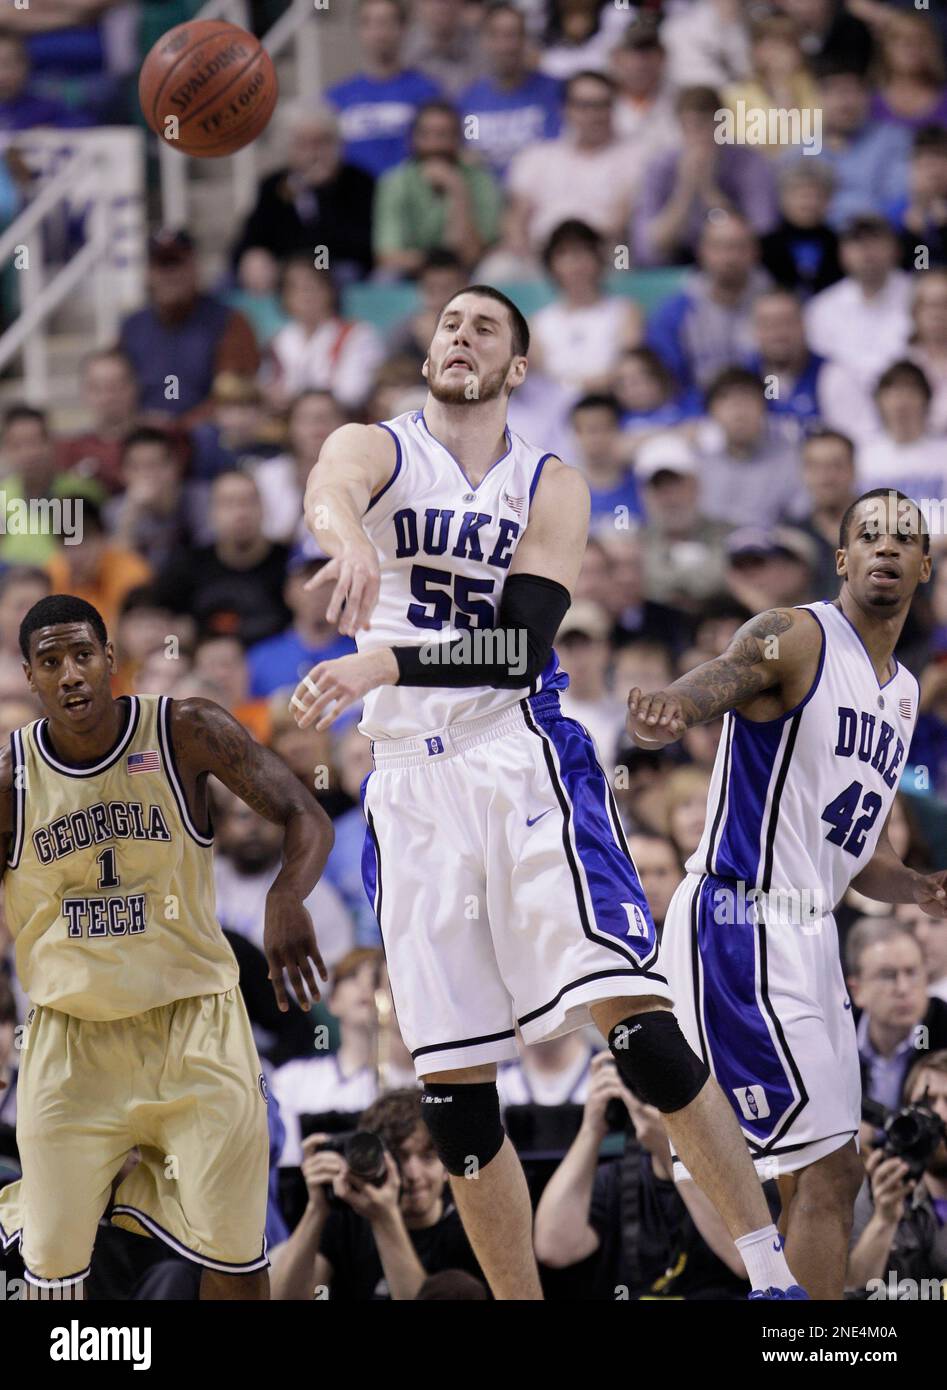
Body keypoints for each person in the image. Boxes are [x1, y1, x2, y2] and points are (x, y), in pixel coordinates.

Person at [288, 282, 808, 1300]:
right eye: (447, 321)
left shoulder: (549, 482)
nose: (459, 335)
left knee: (634, 1026)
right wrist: (346, 537)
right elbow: (329, 485)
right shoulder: (375, 445)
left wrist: (385, 662)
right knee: (454, 1101)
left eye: (485, 326)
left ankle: (768, 1275)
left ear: (516, 368)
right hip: (406, 792)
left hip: (518, 758)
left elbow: (521, 644)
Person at [628, 487, 947, 1299]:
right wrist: (677, 705)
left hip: (808, 933)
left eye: (902, 537)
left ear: (924, 565)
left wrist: (910, 884)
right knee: (821, 1172)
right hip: (740, 919)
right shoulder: (798, 633)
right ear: (841, 559)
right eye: (866, 535)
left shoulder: (903, 694)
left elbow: (850, 850)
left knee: (828, 1180)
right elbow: (730, 673)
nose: (884, 546)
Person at [0, 593, 333, 1297]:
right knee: (51, 1269)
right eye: (50, 662)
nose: (70, 675)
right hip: (71, 1040)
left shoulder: (185, 729)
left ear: (111, 659)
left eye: (83, 655)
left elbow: (304, 813)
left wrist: (285, 895)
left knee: (239, 1258)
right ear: (29, 676)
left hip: (197, 1028)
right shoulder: (12, 781)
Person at [534, 1050, 752, 1300]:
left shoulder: (743, 1172)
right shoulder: (618, 1177)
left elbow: (744, 1262)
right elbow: (553, 1248)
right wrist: (593, 1127)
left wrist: (672, 1156)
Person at [269, 1088, 485, 1300]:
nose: (413, 1174)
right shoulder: (349, 1219)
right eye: (399, 1157)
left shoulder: (469, 1234)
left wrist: (385, 1218)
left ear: (447, 1168)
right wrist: (317, 1209)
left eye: (428, 1158)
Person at [270, 947, 407, 1167]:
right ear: (332, 1001)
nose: (365, 986)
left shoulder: (407, 1084)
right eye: (353, 977)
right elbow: (288, 1165)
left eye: (375, 979)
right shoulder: (293, 1080)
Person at [119, 231, 259, 425]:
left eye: (176, 265)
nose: (170, 276)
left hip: (208, 434)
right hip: (144, 433)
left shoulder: (228, 321)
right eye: (162, 266)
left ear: (194, 268)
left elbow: (234, 395)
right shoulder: (132, 327)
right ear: (149, 273)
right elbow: (115, 390)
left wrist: (178, 428)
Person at [503, 70, 642, 262]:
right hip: (540, 253)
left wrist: (575, 255)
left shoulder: (635, 156)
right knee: (497, 271)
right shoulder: (536, 156)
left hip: (605, 251)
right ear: (565, 109)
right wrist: (523, 249)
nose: (594, 114)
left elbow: (620, 222)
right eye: (584, 106)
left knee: (622, 260)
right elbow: (517, 217)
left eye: (602, 105)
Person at [633, 85, 778, 268]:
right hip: (675, 263)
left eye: (703, 124)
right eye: (687, 126)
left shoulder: (750, 162)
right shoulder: (660, 166)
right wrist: (685, 190)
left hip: (735, 263)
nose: (696, 135)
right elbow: (648, 247)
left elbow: (762, 233)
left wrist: (709, 190)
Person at [231, 106, 375, 284]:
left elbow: (362, 244)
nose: (314, 152)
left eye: (322, 142)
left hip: (337, 266)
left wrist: (323, 193)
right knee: (227, 280)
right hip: (287, 268)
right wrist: (254, 255)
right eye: (303, 144)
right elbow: (252, 237)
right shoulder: (274, 185)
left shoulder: (360, 182)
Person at [151, 471, 291, 647]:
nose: (241, 513)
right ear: (212, 513)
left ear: (263, 509)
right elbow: (158, 621)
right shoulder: (189, 565)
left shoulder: (291, 565)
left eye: (248, 502)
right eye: (228, 504)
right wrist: (177, 646)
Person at [848, 1049, 947, 1297]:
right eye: (927, 1103)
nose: (940, 1115)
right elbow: (853, 1290)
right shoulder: (879, 1186)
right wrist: (885, 1219)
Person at [373, 100, 504, 278]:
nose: (434, 144)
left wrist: (457, 190)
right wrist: (437, 263)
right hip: (414, 271)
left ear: (458, 139)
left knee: (498, 270)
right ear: (413, 140)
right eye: (425, 135)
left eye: (443, 135)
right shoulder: (395, 181)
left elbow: (471, 254)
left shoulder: (481, 179)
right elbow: (388, 256)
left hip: (469, 270)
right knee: (385, 278)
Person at [645, 213, 771, 394]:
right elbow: (667, 382)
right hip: (695, 413)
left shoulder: (778, 307)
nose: (729, 257)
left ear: (755, 251)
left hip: (766, 411)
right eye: (718, 247)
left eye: (738, 247)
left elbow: (787, 376)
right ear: (701, 251)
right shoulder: (674, 313)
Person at [326, 0, 443, 180]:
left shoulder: (428, 92)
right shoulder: (336, 97)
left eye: (386, 23)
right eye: (369, 23)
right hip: (356, 200)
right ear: (358, 31)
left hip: (408, 199)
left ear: (403, 29)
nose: (379, 33)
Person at [528, 221, 642, 396]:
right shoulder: (537, 323)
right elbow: (539, 379)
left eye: (582, 252)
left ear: (598, 258)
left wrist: (574, 387)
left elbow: (627, 370)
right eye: (564, 254)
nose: (575, 263)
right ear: (551, 265)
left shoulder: (626, 312)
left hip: (610, 405)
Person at [846, 918, 947, 1111]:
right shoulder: (835, 1039)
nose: (903, 988)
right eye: (887, 975)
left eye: (911, 972)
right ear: (857, 990)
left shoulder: (943, 1027)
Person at [805, 216, 913, 393]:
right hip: (841, 407)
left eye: (875, 241)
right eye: (857, 243)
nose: (867, 252)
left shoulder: (918, 296)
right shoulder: (821, 308)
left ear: (895, 248)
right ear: (842, 253)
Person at [799, 62, 911, 230]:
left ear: (868, 96)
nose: (844, 102)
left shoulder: (893, 139)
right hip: (822, 239)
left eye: (853, 91)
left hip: (880, 235)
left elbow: (900, 198)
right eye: (834, 92)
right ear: (818, 98)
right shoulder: (804, 146)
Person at [458, 2, 561, 182]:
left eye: (512, 35)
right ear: (484, 41)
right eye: (496, 35)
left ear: (525, 40)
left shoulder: (553, 92)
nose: (505, 45)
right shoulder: (470, 101)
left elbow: (557, 151)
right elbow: (470, 153)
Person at [265, 261, 385, 414]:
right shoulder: (280, 339)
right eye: (295, 288)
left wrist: (293, 396)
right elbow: (269, 388)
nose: (305, 296)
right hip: (288, 423)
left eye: (312, 287)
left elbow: (353, 393)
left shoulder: (359, 334)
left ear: (330, 291)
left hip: (343, 424)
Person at [694, 368, 803, 529]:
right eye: (727, 401)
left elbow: (802, 521)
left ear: (764, 407)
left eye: (747, 399)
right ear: (712, 412)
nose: (739, 411)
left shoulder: (791, 460)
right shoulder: (699, 466)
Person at [635, 434, 731, 612]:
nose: (670, 498)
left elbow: (719, 580)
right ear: (645, 495)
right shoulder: (635, 541)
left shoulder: (728, 534)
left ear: (696, 485)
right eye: (659, 488)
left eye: (676, 485)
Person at [246, 549, 357, 701]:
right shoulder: (260, 660)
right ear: (288, 591)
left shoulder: (360, 655)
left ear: (346, 588)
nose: (318, 589)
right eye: (309, 578)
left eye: (329, 579)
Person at [858, 361, 946, 517]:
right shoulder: (862, 457)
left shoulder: (943, 454)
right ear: (879, 400)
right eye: (894, 393)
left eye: (910, 392)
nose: (901, 402)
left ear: (925, 399)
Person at [55, 349, 142, 496]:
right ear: (84, 392)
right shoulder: (69, 451)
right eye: (98, 388)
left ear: (133, 387)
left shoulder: (160, 440)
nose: (108, 397)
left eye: (115, 386)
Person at [790, 428, 859, 601]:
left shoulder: (883, 531)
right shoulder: (790, 535)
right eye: (815, 467)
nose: (825, 477)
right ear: (804, 473)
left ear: (853, 470)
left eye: (835, 466)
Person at [759, 161, 843, 300]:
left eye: (816, 196)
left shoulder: (840, 245)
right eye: (801, 195)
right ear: (782, 198)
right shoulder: (763, 246)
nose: (808, 203)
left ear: (829, 201)